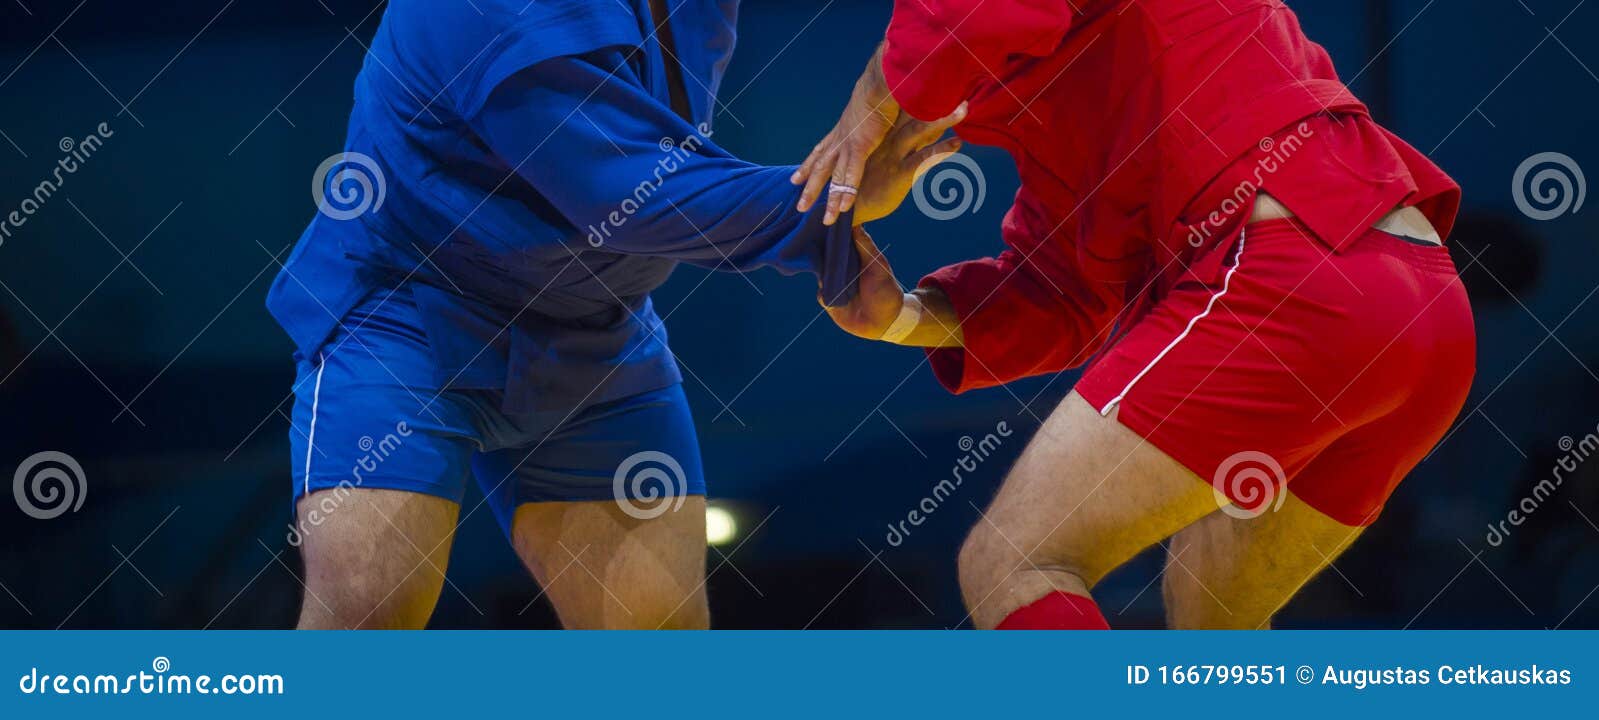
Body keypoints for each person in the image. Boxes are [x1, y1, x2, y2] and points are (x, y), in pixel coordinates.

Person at [269, 0, 962, 629]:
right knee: (367, 616)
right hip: (410, 310)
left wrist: (882, 89)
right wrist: (834, 203)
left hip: (599, 322)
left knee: (660, 651)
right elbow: (624, 193)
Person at [800, 0, 1475, 629]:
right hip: (1419, 303)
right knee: (1208, 613)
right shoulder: (1083, 79)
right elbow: (1067, 291)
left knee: (1011, 561)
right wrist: (904, 317)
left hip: (1291, 274)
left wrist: (868, 114)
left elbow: (959, 23)